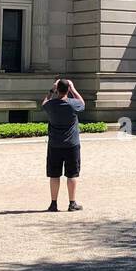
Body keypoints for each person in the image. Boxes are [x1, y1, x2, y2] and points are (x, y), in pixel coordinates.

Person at [42, 78, 85, 212]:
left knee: (54, 175)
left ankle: (53, 204)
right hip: (72, 144)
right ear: (67, 90)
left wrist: (51, 91)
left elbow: (43, 103)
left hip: (54, 144)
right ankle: (72, 203)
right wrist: (73, 88)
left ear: (57, 90)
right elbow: (82, 103)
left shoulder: (51, 105)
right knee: (72, 174)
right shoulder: (73, 104)